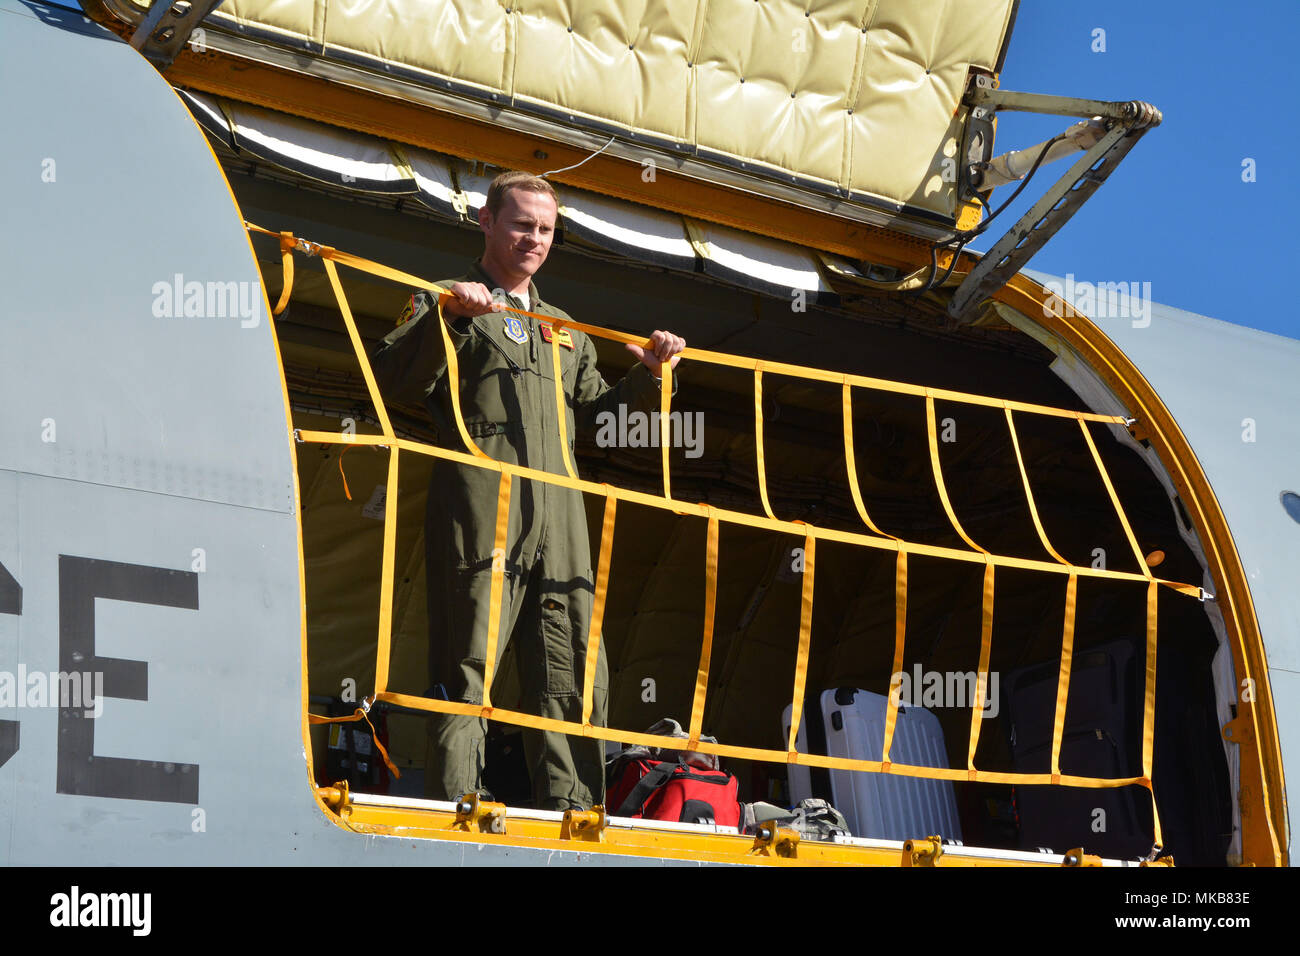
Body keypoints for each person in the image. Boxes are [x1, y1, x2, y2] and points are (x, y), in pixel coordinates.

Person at [371, 170, 686, 810]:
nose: (533, 239)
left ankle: (576, 806)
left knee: (573, 659)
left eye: (544, 230)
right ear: (486, 221)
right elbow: (392, 380)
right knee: (469, 655)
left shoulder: (565, 329)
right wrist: (452, 318)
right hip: (482, 500)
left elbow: (599, 423)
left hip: (561, 509)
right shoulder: (442, 298)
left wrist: (648, 378)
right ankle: (458, 799)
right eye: (521, 224)